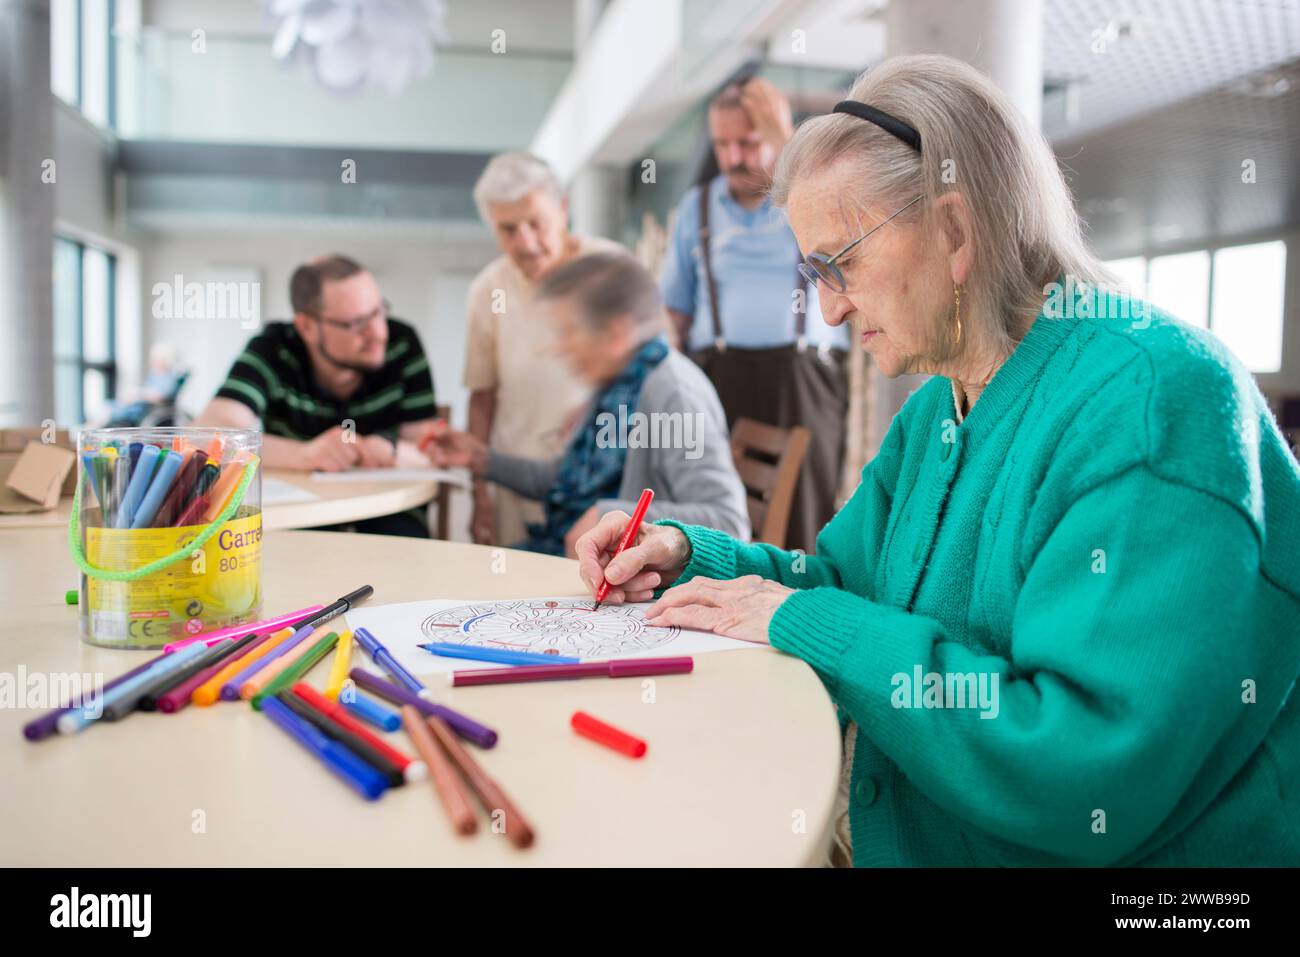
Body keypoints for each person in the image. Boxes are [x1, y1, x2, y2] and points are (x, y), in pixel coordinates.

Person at [575, 55, 1300, 867]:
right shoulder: (939, 407)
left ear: (955, 231)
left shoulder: (1154, 402)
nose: (829, 305)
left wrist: (808, 622)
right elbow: (840, 588)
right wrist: (684, 554)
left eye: (839, 262)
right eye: (813, 272)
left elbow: (1078, 772)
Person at [429, 251, 748, 557]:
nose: (558, 348)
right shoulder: (617, 384)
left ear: (616, 332)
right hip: (568, 555)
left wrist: (611, 514)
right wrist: (481, 459)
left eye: (568, 331)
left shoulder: (673, 393)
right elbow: (563, 479)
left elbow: (729, 524)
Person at [661, 76, 850, 553]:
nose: (733, 157)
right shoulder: (696, 208)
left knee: (802, 517)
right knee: (715, 513)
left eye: (747, 141)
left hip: (803, 379)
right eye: (722, 143)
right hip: (716, 375)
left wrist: (789, 152)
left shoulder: (809, 201)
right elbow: (674, 313)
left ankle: (797, 614)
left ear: (775, 133)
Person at [196, 254, 441, 537]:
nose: (378, 332)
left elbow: (430, 448)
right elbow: (210, 436)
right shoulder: (275, 349)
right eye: (355, 323)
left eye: (378, 312)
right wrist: (306, 455)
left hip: (392, 516)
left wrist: (390, 449)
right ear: (307, 327)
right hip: (301, 519)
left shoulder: (402, 344)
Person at [463, 152, 625, 547]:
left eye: (536, 223)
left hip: (605, 483)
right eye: (508, 230)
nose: (526, 242)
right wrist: (480, 496)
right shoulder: (487, 291)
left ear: (564, 209)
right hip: (514, 486)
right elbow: (482, 398)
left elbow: (653, 373)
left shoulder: (614, 270)